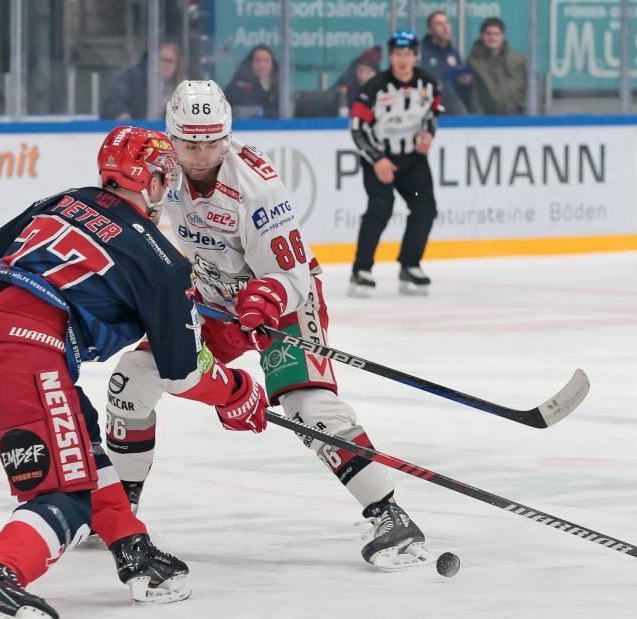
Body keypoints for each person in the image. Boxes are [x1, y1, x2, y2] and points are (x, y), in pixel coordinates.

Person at [0, 126, 269, 619]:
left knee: (84, 443)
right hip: (24, 353)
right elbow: (181, 373)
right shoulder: (162, 260)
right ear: (156, 181)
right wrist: (236, 392)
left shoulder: (63, 200)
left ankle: (132, 550)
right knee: (62, 494)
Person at [104, 79, 434, 571]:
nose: (200, 155)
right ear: (172, 137)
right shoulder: (160, 171)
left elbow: (291, 274)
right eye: (190, 143)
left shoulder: (255, 184)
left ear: (227, 135)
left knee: (307, 404)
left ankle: (389, 514)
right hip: (212, 302)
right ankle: (119, 509)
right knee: (132, 377)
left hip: (283, 301)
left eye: (211, 142)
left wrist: (269, 296)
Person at [348, 31, 442, 297]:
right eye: (398, 54)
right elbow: (357, 129)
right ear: (390, 56)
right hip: (378, 157)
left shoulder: (428, 83)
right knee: (381, 207)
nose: (403, 59)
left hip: (412, 158)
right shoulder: (374, 88)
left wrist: (428, 134)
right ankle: (361, 270)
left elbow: (433, 112)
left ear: (415, 56)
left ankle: (410, 264)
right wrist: (378, 160)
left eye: (408, 54)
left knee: (425, 209)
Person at [101, 43, 186, 120]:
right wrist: (122, 114)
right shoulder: (135, 78)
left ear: (177, 65)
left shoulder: (182, 89)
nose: (164, 64)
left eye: (169, 61)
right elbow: (115, 99)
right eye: (161, 59)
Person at [467, 18, 528, 116]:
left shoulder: (518, 60)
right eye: (488, 34)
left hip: (518, 119)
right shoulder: (473, 63)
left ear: (503, 36)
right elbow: (473, 97)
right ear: (482, 36)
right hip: (487, 121)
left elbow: (532, 89)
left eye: (496, 34)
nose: (492, 38)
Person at [420, 11, 471, 114]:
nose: (445, 27)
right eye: (439, 24)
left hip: (452, 111)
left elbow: (460, 88)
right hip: (429, 109)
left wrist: (464, 82)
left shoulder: (453, 52)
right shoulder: (421, 53)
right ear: (430, 30)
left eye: (446, 23)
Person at [225, 44, 279, 118]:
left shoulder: (282, 87)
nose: (261, 65)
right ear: (250, 63)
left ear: (273, 64)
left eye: (266, 61)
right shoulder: (238, 84)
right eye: (257, 60)